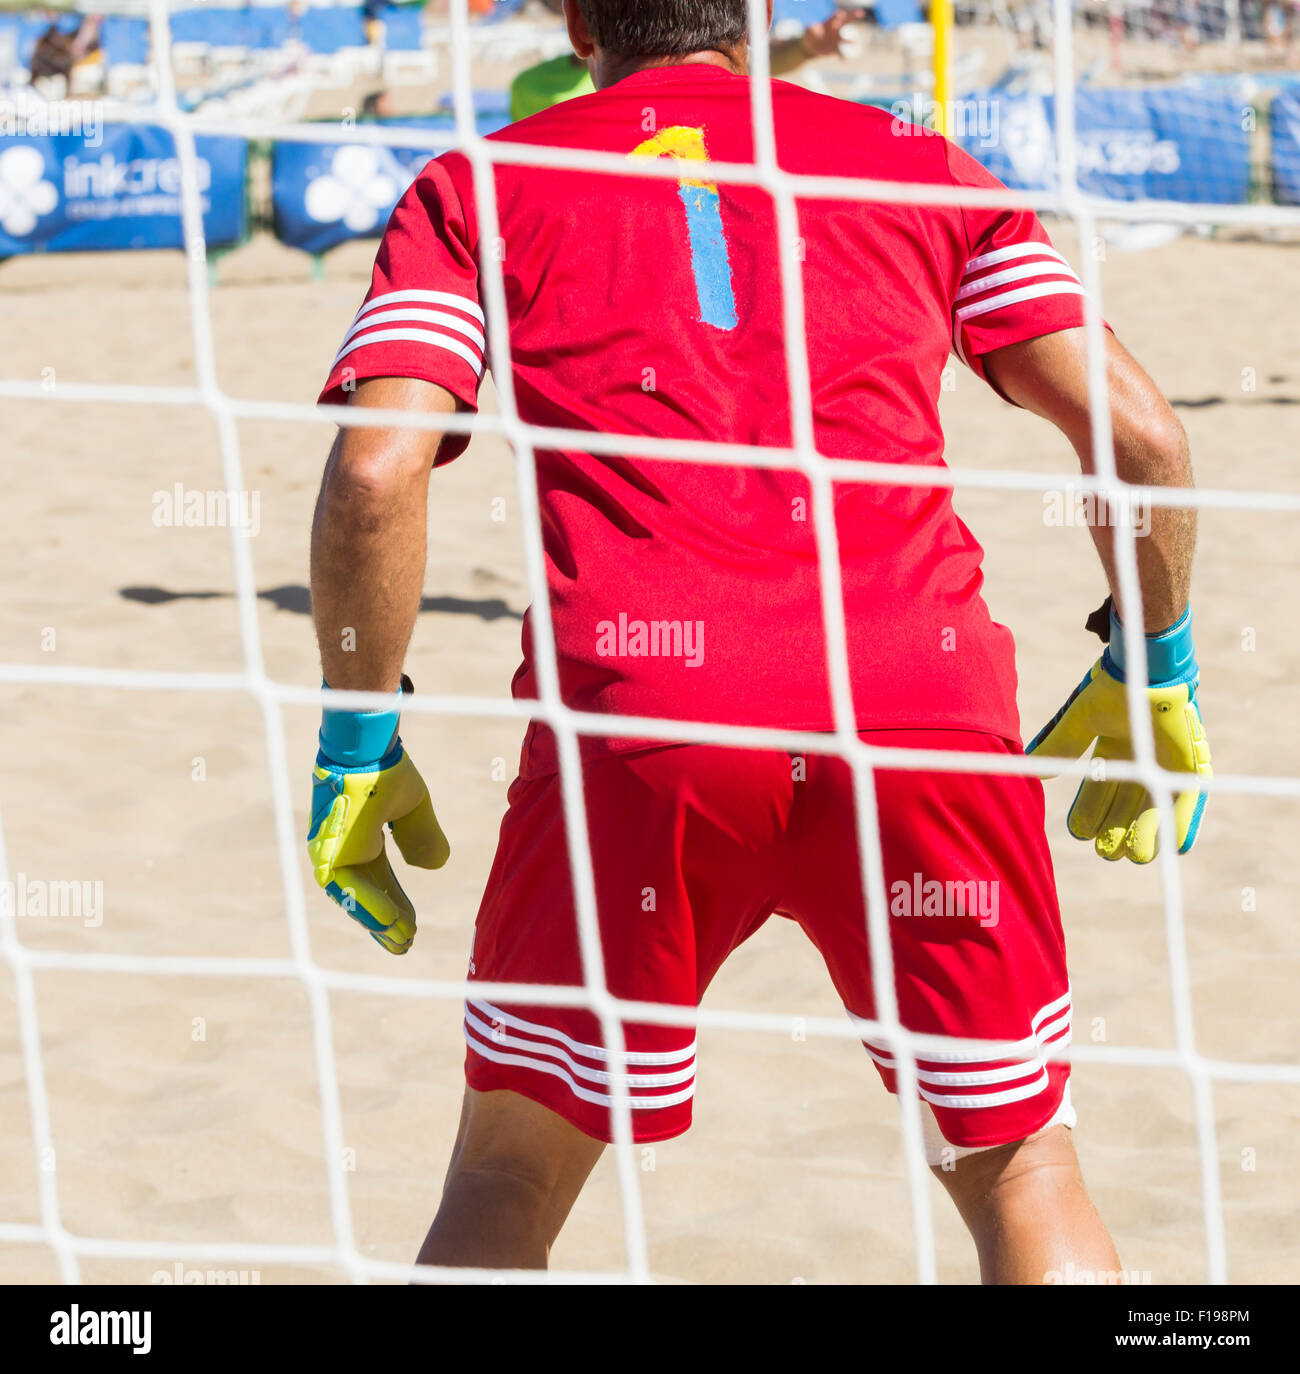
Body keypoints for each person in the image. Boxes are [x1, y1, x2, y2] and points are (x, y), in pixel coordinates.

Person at [306, 0, 1211, 1282]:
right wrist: (1151, 658)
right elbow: (1149, 444)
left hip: (644, 726)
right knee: (1026, 1179)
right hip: (918, 709)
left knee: (506, 1176)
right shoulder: (919, 160)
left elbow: (379, 470)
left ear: (576, 20)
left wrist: (358, 733)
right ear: (755, 16)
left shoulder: (481, 180)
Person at [510, 5, 865, 119]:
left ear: (576, 22)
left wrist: (805, 45)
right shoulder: (892, 156)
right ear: (762, 12)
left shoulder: (469, 189)